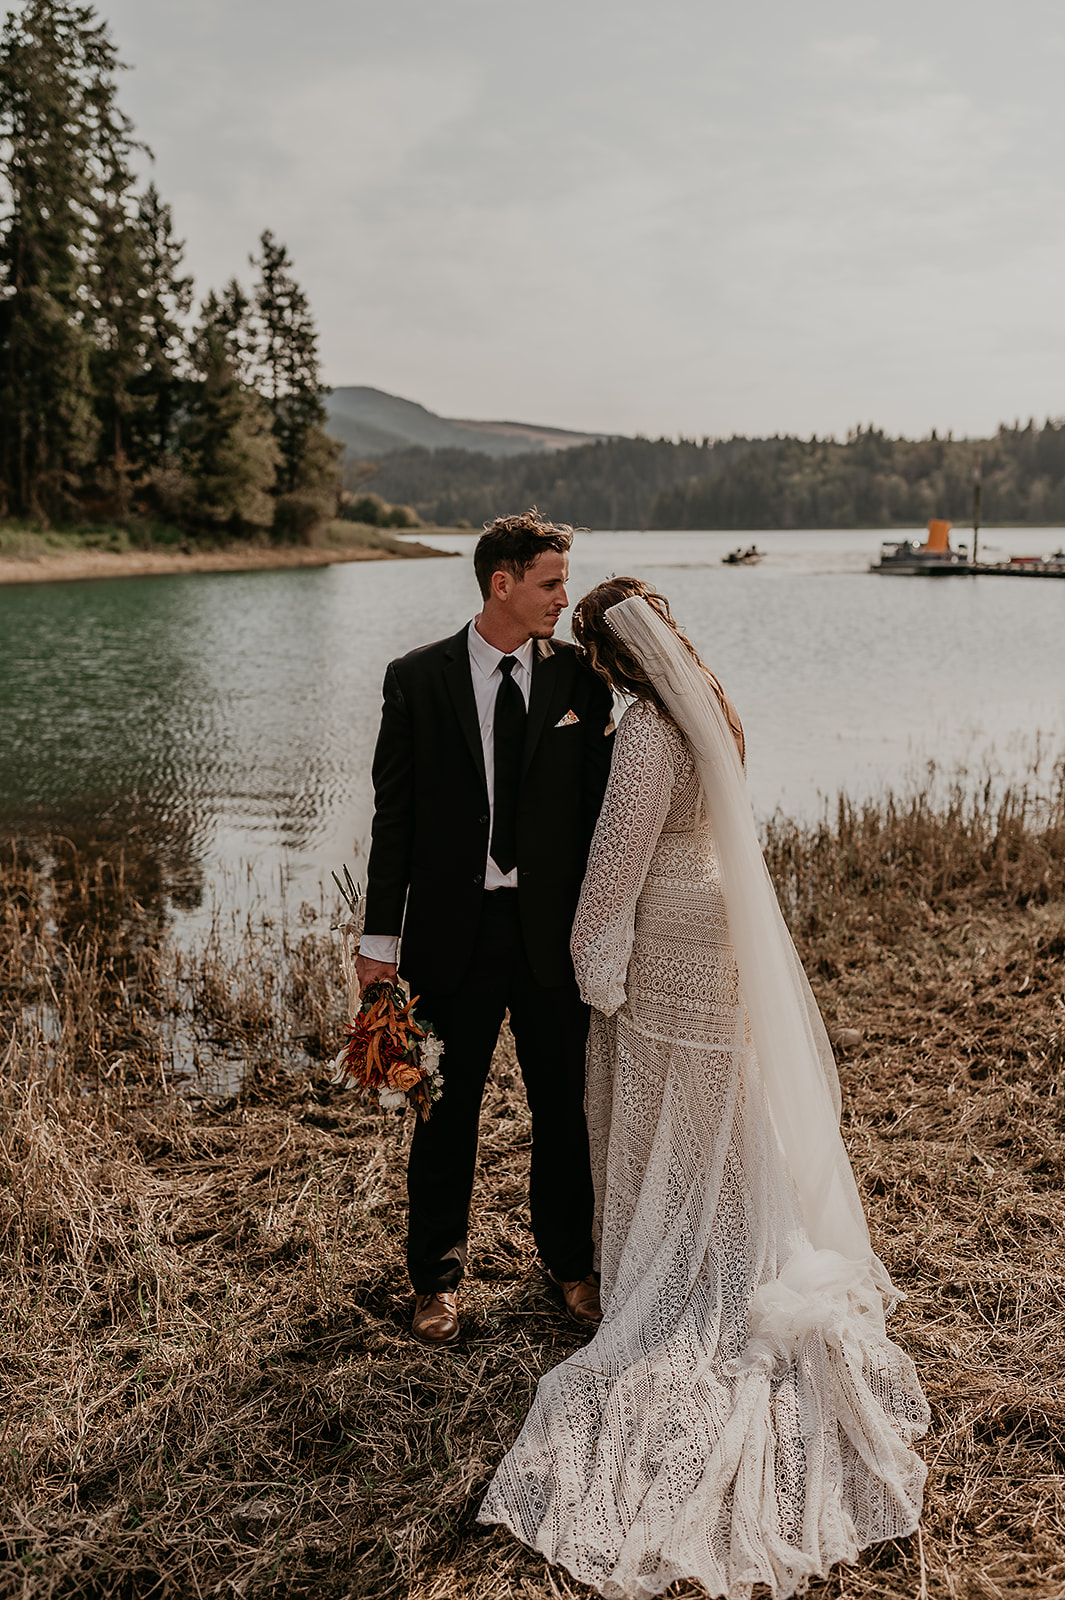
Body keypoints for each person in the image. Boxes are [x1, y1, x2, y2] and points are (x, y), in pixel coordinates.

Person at [479, 579, 929, 1599]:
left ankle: (672, 1263)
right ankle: (726, 1232)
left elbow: (616, 865)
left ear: (608, 653)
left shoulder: (644, 733)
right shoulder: (713, 702)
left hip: (672, 936)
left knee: (664, 1105)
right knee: (723, 1110)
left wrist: (594, 965)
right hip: (718, 924)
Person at [356, 511, 615, 1346]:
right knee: (441, 1111)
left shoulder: (580, 681)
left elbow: (599, 815)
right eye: (549, 583)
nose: (561, 599)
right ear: (500, 583)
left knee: (562, 1111)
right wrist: (377, 944)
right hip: (448, 938)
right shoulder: (416, 678)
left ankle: (570, 1266)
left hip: (549, 936)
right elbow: (391, 818)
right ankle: (434, 1280)